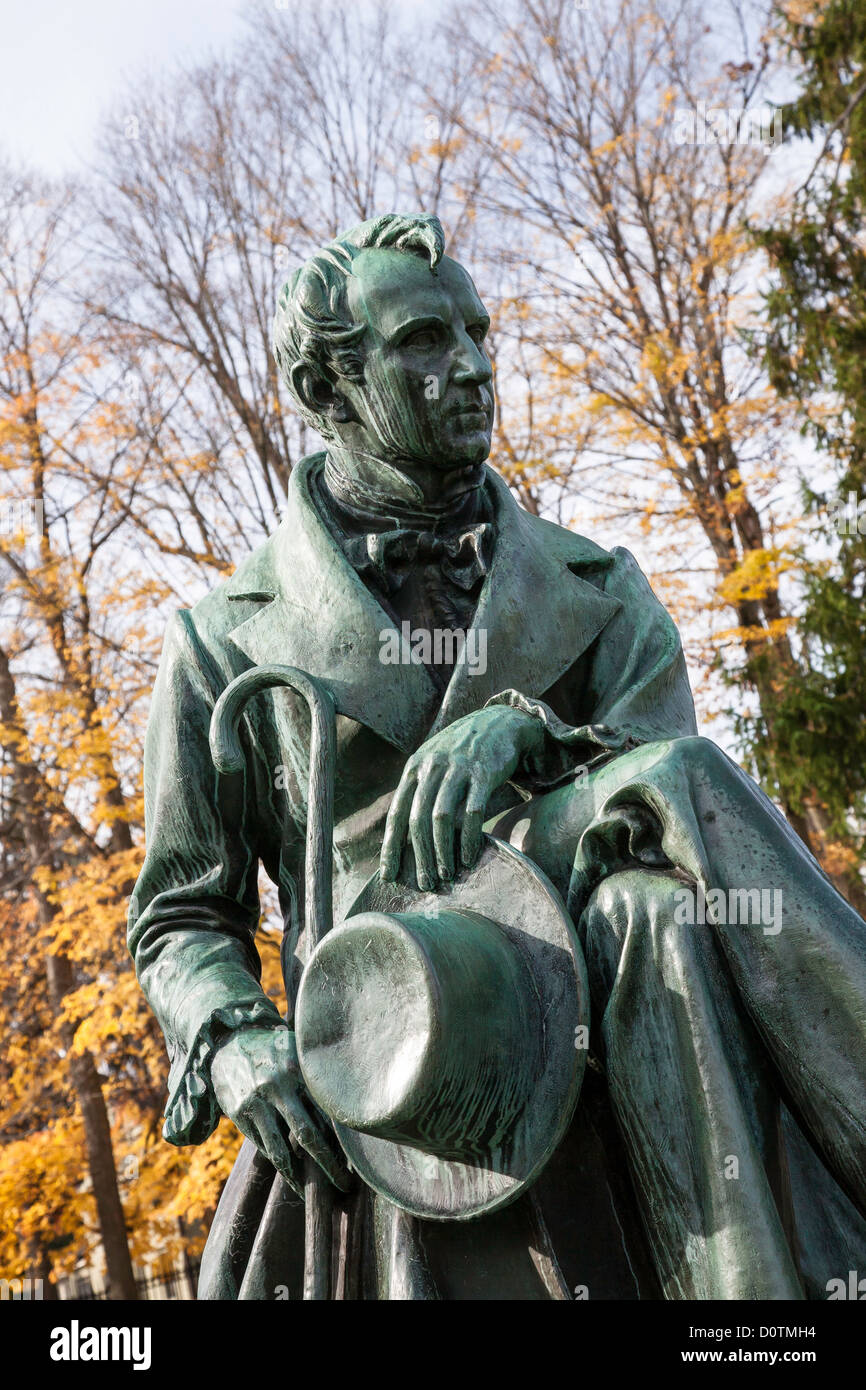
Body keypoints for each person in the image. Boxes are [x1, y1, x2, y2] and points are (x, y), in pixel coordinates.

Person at [129, 213, 866, 1299]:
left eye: (478, 334)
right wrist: (234, 1036)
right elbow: (180, 915)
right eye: (423, 342)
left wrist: (535, 724)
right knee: (678, 802)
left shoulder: (601, 591)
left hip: (612, 1030)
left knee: (656, 888)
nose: (472, 367)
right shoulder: (219, 642)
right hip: (395, 1068)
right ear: (325, 388)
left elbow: (677, 824)